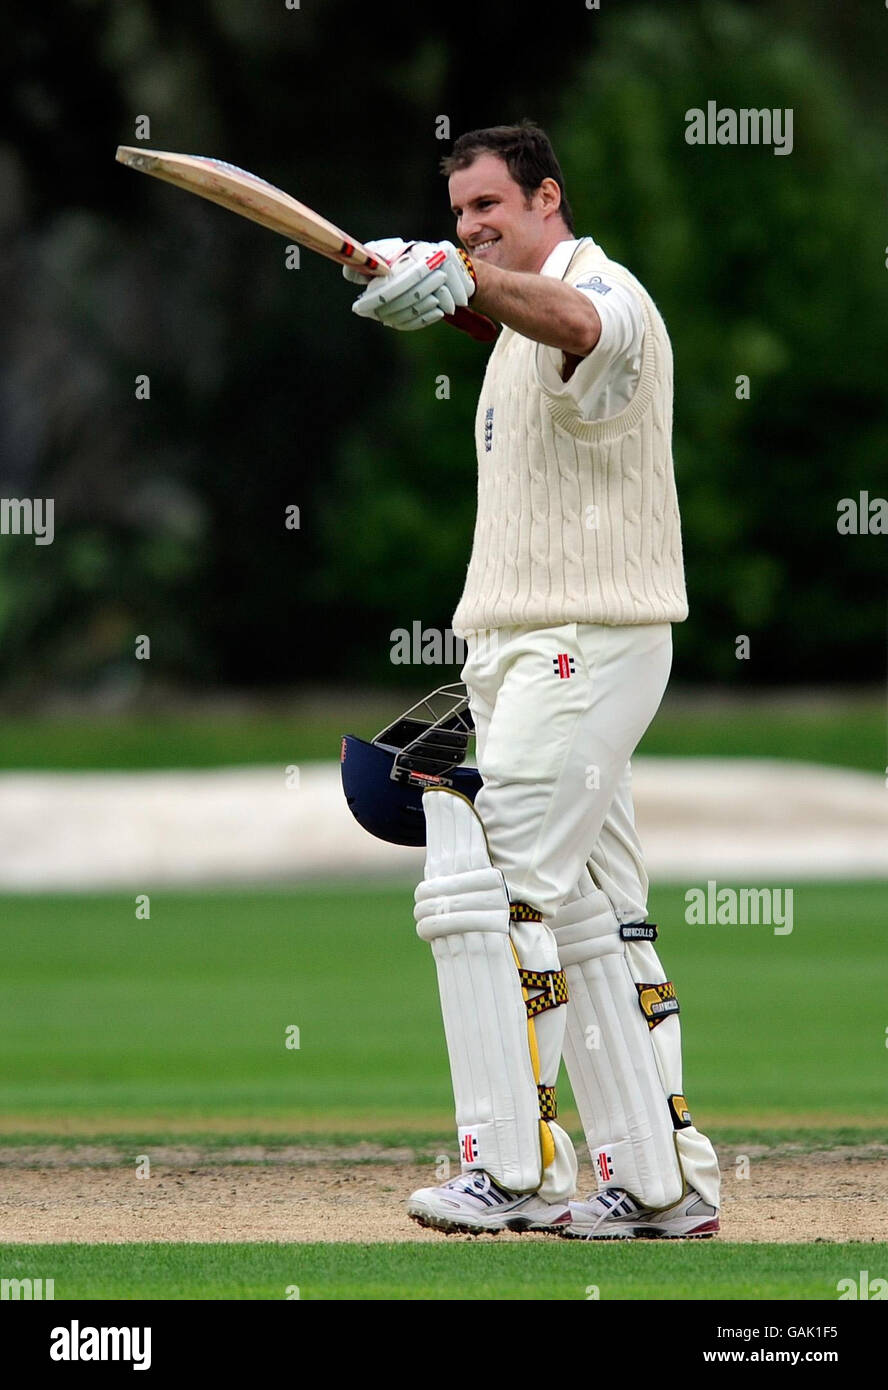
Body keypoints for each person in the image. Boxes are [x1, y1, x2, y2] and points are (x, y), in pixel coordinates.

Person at [345, 121, 721, 1239]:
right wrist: (430, 286)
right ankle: (658, 1182)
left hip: (585, 639)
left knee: (487, 893)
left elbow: (579, 324)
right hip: (523, 646)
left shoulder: (611, 297)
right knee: (599, 914)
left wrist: (460, 279)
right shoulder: (514, 321)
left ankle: (506, 1168)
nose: (471, 226)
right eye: (458, 213)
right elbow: (519, 320)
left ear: (548, 197)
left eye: (490, 208)